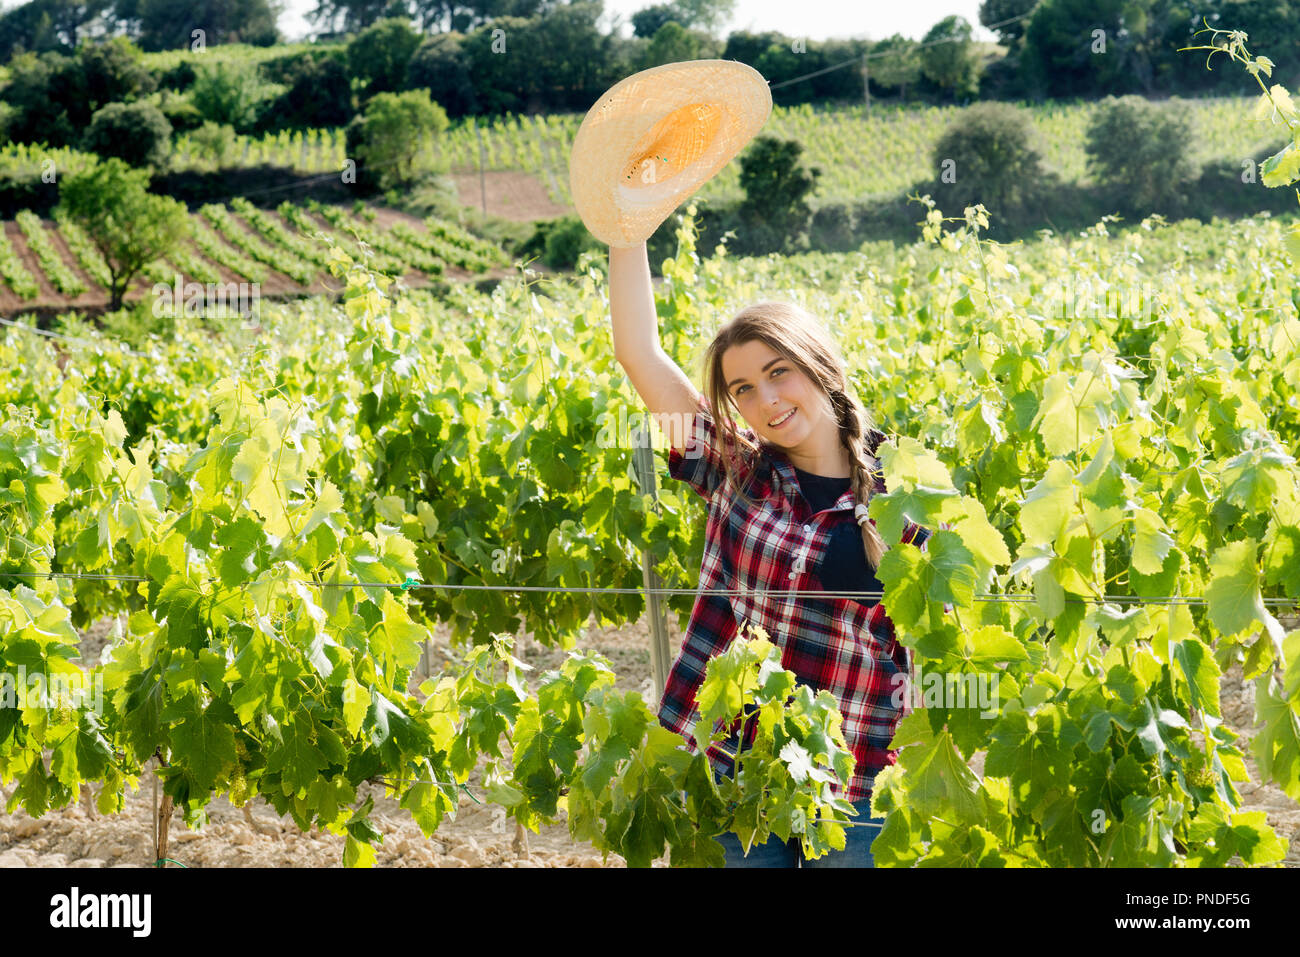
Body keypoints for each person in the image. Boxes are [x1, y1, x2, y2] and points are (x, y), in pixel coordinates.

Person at [608, 239, 933, 868]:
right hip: (732, 771)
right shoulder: (735, 469)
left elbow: (927, 651)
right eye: (744, 390)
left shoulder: (905, 497)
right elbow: (638, 354)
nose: (767, 401)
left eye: (778, 372)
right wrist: (629, 228)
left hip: (856, 786)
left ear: (820, 366)